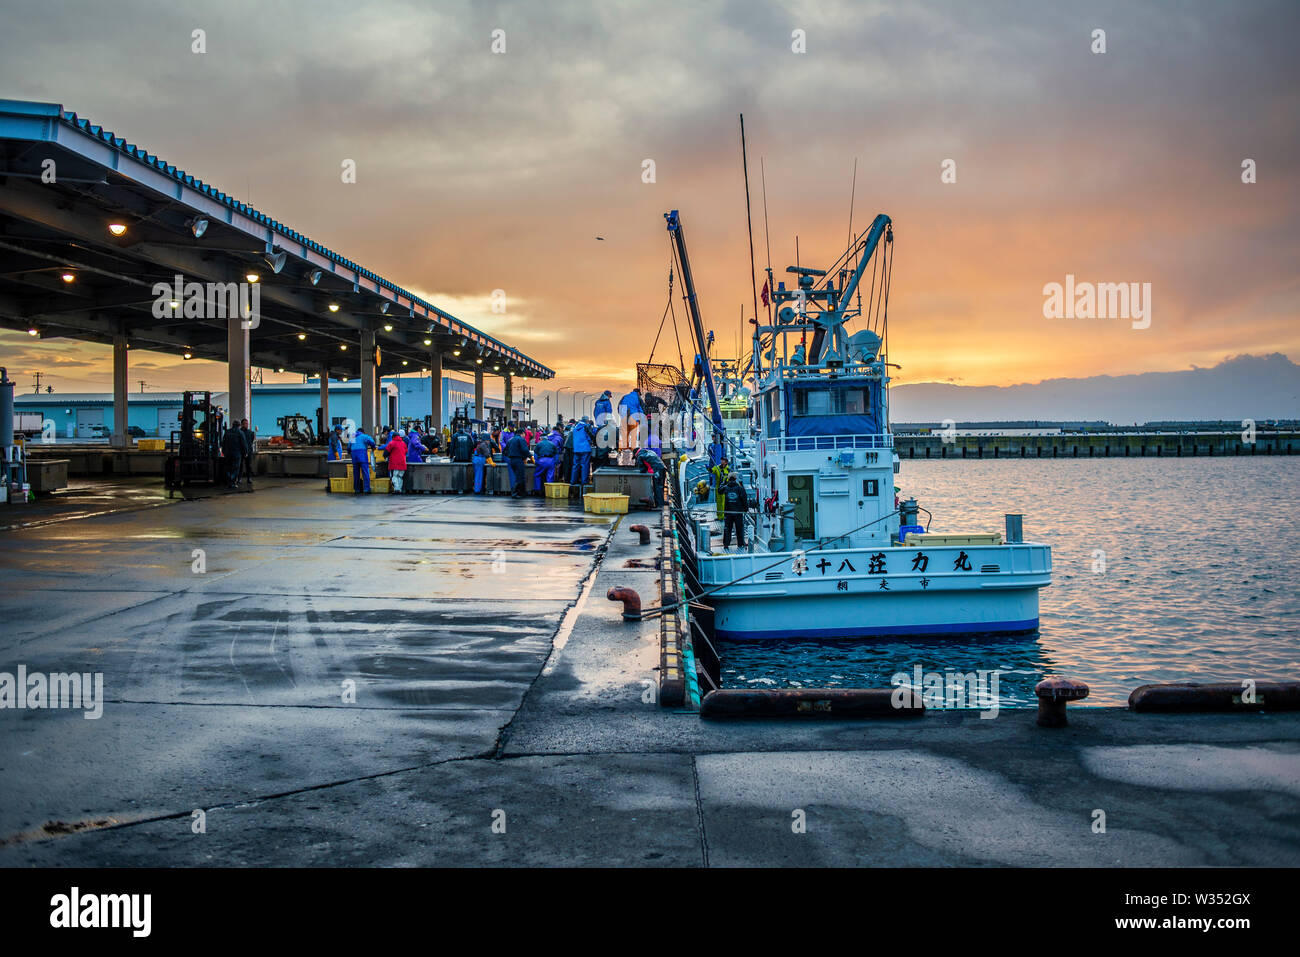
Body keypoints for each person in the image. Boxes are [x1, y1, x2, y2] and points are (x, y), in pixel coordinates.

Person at [722, 472, 748, 548]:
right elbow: (744, 499)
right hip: (738, 512)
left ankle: (726, 544)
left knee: (727, 529)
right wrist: (745, 509)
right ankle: (740, 544)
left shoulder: (725, 488)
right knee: (739, 528)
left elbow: (719, 490)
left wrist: (724, 482)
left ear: (728, 479)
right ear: (736, 479)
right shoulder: (740, 488)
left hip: (728, 512)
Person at [350, 427, 377, 494]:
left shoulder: (352, 437)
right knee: (365, 472)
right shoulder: (364, 436)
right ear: (363, 432)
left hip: (354, 456)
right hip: (362, 456)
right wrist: (373, 447)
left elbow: (348, 447)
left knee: (356, 473)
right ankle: (366, 489)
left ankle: (357, 489)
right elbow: (372, 442)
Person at [504, 430, 531, 498]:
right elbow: (525, 450)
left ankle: (522, 493)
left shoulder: (510, 440)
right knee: (520, 477)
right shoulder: (521, 439)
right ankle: (514, 493)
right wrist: (530, 456)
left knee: (518, 476)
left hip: (511, 460)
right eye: (524, 434)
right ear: (522, 433)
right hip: (518, 460)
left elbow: (505, 451)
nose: (525, 436)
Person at [570, 416, 596, 485]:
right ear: (587, 421)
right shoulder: (586, 427)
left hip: (576, 449)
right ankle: (584, 482)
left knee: (575, 465)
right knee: (584, 465)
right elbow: (589, 437)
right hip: (585, 449)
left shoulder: (575, 428)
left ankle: (573, 481)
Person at [220, 418, 244, 489]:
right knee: (235, 468)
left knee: (228, 467)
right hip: (237, 453)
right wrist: (245, 452)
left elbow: (223, 442)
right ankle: (232, 483)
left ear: (232, 425)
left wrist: (223, 451)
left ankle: (228, 482)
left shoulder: (227, 432)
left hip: (228, 453)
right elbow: (243, 443)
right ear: (239, 425)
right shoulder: (240, 433)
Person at [384, 428, 408, 493]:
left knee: (394, 476)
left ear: (393, 437)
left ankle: (397, 489)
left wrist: (385, 457)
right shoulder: (403, 443)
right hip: (402, 463)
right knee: (400, 476)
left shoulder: (392, 443)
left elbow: (386, 452)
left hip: (394, 463)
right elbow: (406, 451)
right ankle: (399, 488)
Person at [240, 418, 256, 489]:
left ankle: (249, 478)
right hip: (241, 451)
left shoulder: (250, 433)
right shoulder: (239, 432)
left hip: (249, 451)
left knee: (248, 465)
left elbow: (252, 441)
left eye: (247, 424)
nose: (246, 425)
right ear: (241, 424)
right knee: (240, 465)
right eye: (244, 424)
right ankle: (239, 478)